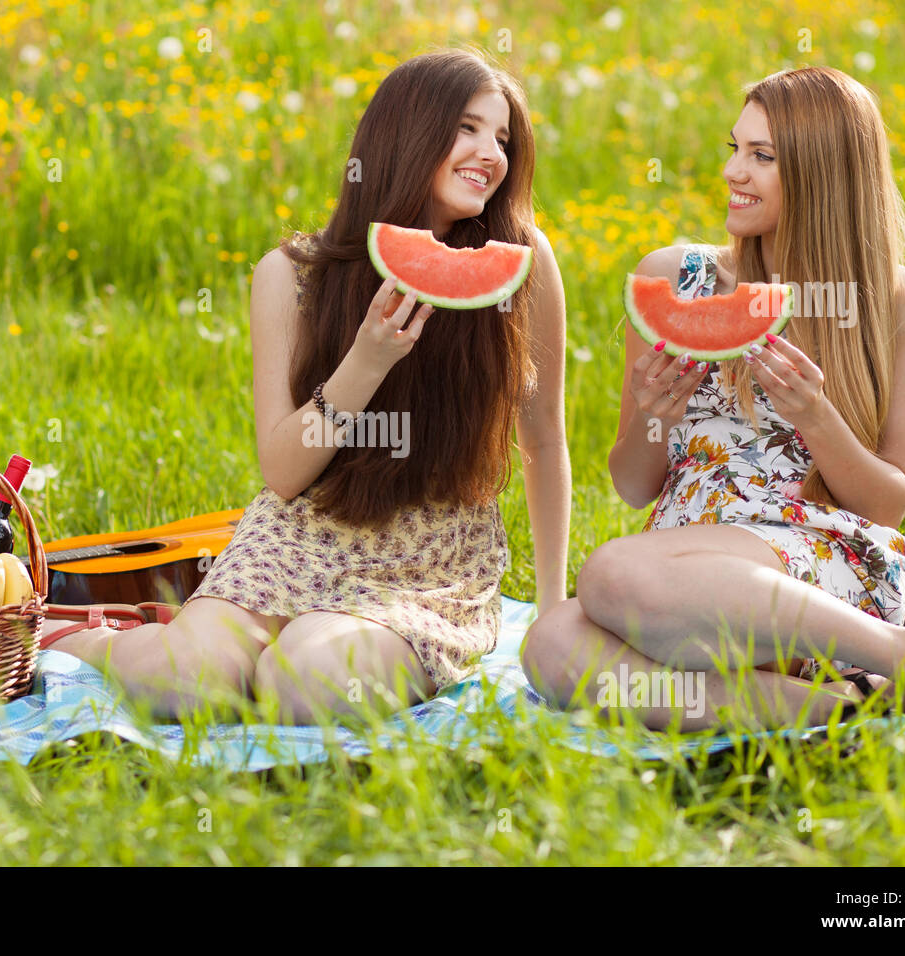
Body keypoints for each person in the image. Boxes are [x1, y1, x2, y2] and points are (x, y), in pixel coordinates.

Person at [42, 48, 570, 723]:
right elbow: (285, 473)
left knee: (311, 685)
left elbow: (546, 442)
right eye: (467, 128)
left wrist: (551, 610)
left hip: (431, 562)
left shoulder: (524, 262)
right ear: (404, 135)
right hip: (299, 534)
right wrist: (366, 362)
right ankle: (91, 640)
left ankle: (279, 653)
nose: (489, 153)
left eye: (502, 137)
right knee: (188, 683)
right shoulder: (291, 275)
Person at [521, 66, 905, 731]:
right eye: (734, 148)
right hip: (680, 581)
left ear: (823, 173)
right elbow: (631, 486)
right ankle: (842, 708)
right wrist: (655, 419)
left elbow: (887, 504)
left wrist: (814, 416)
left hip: (818, 556)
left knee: (610, 573)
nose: (734, 171)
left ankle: (902, 649)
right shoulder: (673, 277)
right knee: (551, 646)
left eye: (762, 156)